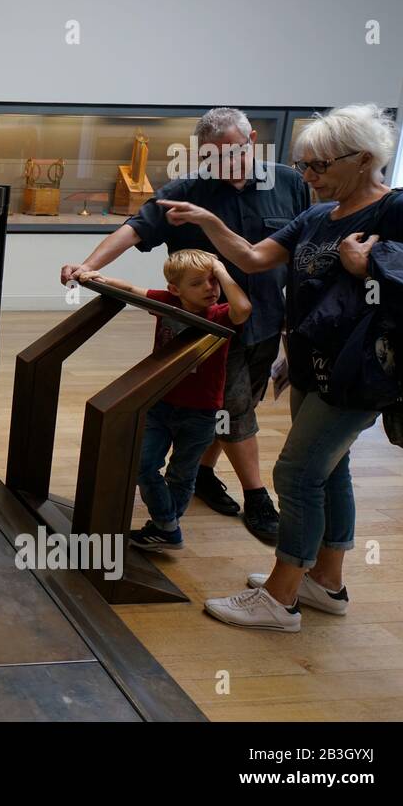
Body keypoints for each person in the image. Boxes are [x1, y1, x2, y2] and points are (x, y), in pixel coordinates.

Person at [157, 104, 403, 631]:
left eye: (319, 167)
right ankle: (326, 581)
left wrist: (372, 264)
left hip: (363, 372)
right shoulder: (318, 216)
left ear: (364, 159)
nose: (307, 177)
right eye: (304, 166)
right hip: (310, 364)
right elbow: (255, 259)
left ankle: (281, 599)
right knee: (331, 469)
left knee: (297, 473)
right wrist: (210, 222)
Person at [61, 108, 309, 543]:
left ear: (252, 138)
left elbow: (305, 250)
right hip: (207, 331)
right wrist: (87, 266)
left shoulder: (289, 183)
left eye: (232, 152)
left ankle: (204, 474)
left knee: (231, 407)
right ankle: (257, 497)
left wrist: (298, 323)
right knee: (234, 412)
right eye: (212, 158)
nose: (224, 165)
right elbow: (134, 230)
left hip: (266, 322)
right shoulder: (184, 192)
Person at [79, 250, 251, 551]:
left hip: (202, 412)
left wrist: (222, 271)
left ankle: (163, 527)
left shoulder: (220, 314)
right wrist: (100, 277)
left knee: (182, 474)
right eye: (198, 283)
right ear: (175, 289)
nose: (210, 288)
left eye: (213, 281)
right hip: (159, 404)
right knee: (141, 465)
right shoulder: (167, 303)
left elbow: (243, 308)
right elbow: (133, 290)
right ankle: (168, 524)